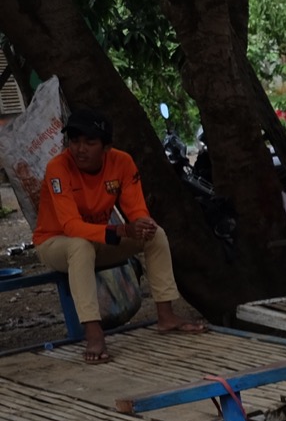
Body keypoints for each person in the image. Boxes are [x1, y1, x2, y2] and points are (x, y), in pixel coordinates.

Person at [33, 109, 207, 364]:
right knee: (80, 246)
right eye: (74, 141)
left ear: (107, 147)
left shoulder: (122, 162)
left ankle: (166, 315)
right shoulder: (57, 167)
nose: (80, 149)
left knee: (155, 234)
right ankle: (93, 332)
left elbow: (136, 209)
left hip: (101, 239)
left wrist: (141, 223)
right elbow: (70, 226)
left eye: (89, 143)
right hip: (55, 243)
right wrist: (121, 230)